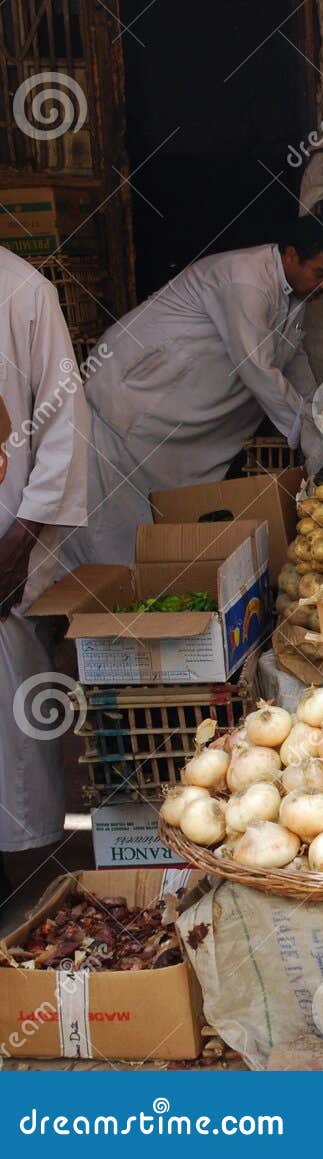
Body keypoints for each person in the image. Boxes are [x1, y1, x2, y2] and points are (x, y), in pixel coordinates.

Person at [63, 215, 323, 567]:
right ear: (291, 255)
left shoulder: (294, 296)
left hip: (175, 422)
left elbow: (291, 356)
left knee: (160, 516)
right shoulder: (246, 278)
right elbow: (256, 367)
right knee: (111, 522)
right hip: (136, 399)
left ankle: (145, 595)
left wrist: (319, 412)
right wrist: (307, 432)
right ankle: (94, 605)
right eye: (322, 273)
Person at [0, 248, 90, 879]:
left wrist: (20, 539)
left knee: (10, 731)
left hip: (2, 542)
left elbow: (64, 423)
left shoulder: (21, 291)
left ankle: (21, 885)